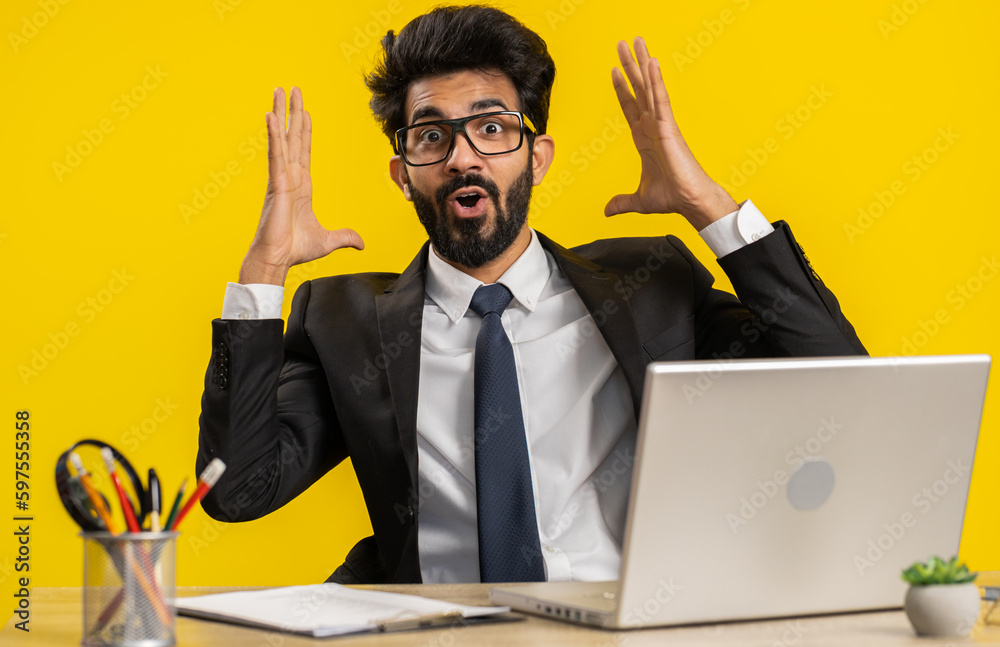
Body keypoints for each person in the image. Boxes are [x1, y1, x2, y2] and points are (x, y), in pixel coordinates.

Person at [197, 5, 866, 585]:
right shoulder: (343, 323)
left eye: (491, 128)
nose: (463, 157)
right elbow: (237, 489)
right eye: (431, 135)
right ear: (403, 176)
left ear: (536, 157)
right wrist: (263, 271)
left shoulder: (650, 286)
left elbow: (838, 381)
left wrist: (708, 206)